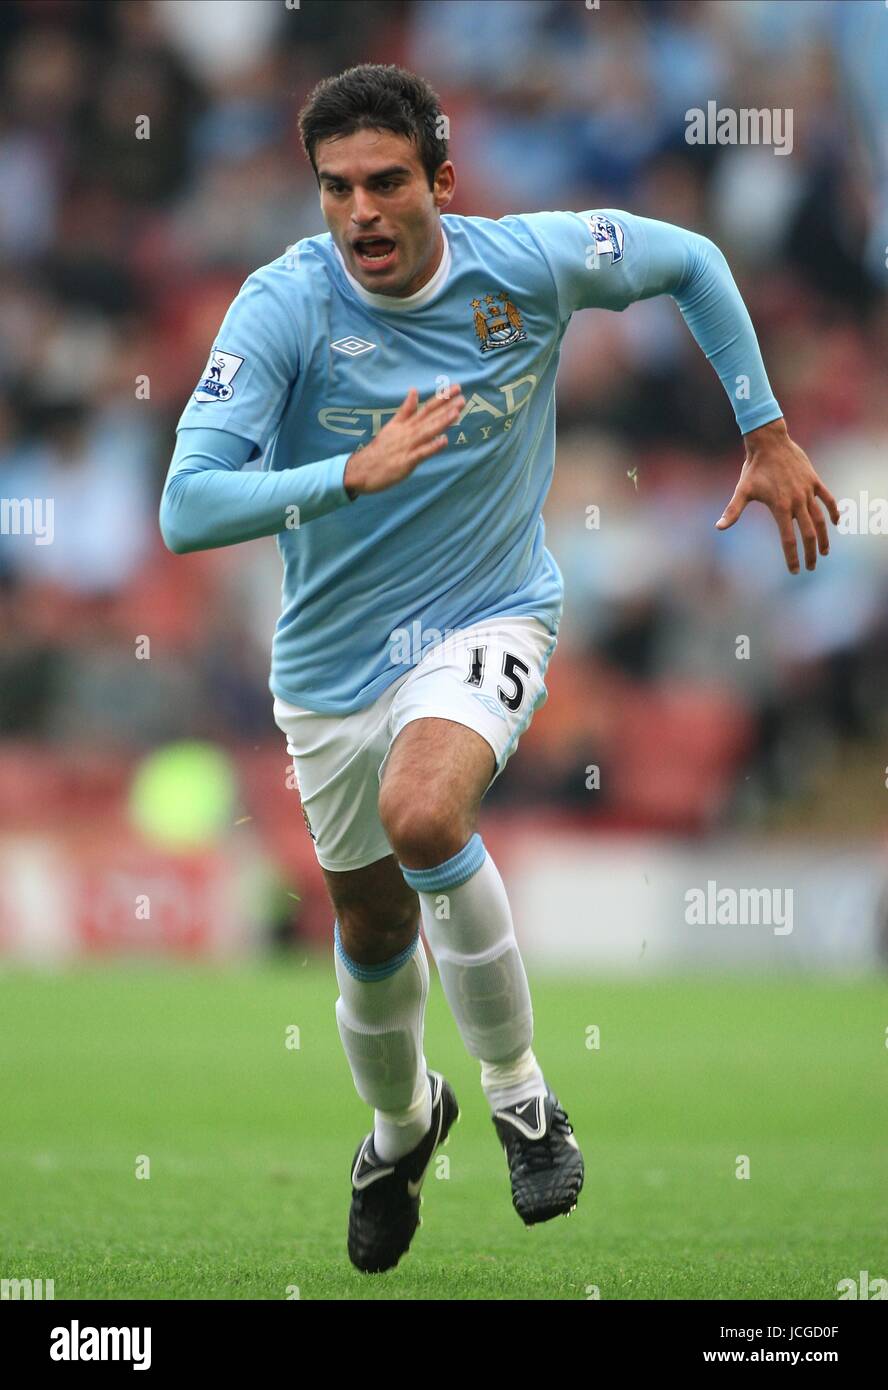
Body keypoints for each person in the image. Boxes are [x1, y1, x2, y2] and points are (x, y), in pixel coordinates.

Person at [159, 63, 838, 1275]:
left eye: (384, 183)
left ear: (443, 182)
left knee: (427, 815)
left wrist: (766, 426)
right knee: (367, 925)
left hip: (491, 612)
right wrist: (338, 475)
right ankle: (402, 1127)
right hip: (328, 662)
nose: (359, 212)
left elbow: (691, 259)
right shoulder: (283, 306)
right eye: (334, 189)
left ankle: (524, 1099)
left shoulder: (527, 263)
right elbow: (187, 503)